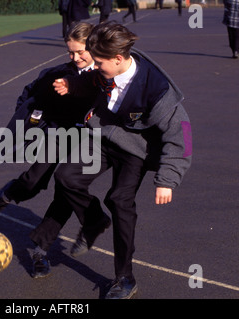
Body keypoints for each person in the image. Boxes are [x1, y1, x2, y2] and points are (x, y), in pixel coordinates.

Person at [52, 21, 192, 299]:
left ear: (118, 59)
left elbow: (183, 133)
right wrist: (72, 84)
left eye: (99, 62)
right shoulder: (104, 71)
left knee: (119, 201)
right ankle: (94, 221)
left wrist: (167, 179)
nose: (94, 65)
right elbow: (91, 81)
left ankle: (124, 278)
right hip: (104, 135)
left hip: (135, 149)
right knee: (66, 177)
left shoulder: (156, 88)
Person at [0, 22, 110, 278]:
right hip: (56, 132)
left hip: (85, 140)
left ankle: (40, 251)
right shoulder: (56, 74)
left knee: (65, 192)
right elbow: (28, 96)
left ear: (94, 47)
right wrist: (27, 124)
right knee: (34, 181)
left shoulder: (105, 76)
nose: (75, 58)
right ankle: (11, 191)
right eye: (70, 52)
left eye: (80, 52)